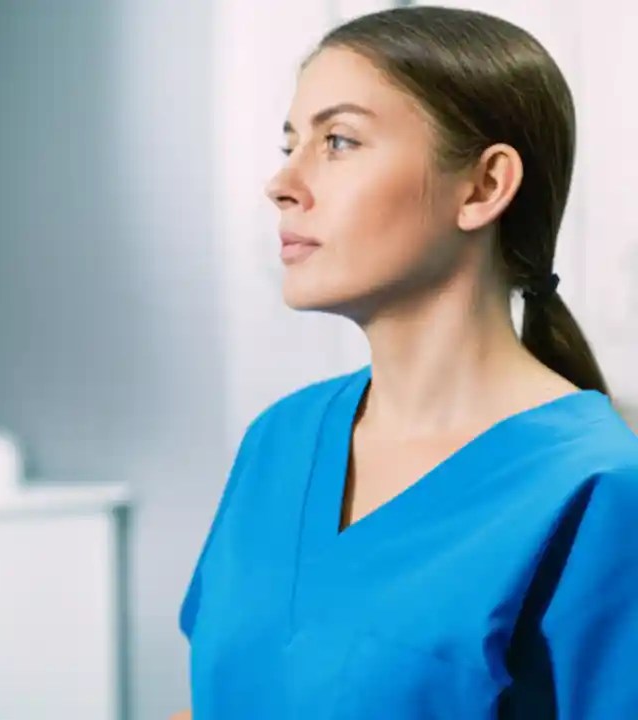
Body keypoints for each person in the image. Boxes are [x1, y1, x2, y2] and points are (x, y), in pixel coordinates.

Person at [175, 6, 638, 719]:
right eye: (289, 142)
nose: (282, 182)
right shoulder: (282, 438)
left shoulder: (596, 490)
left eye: (338, 140)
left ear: (483, 187)